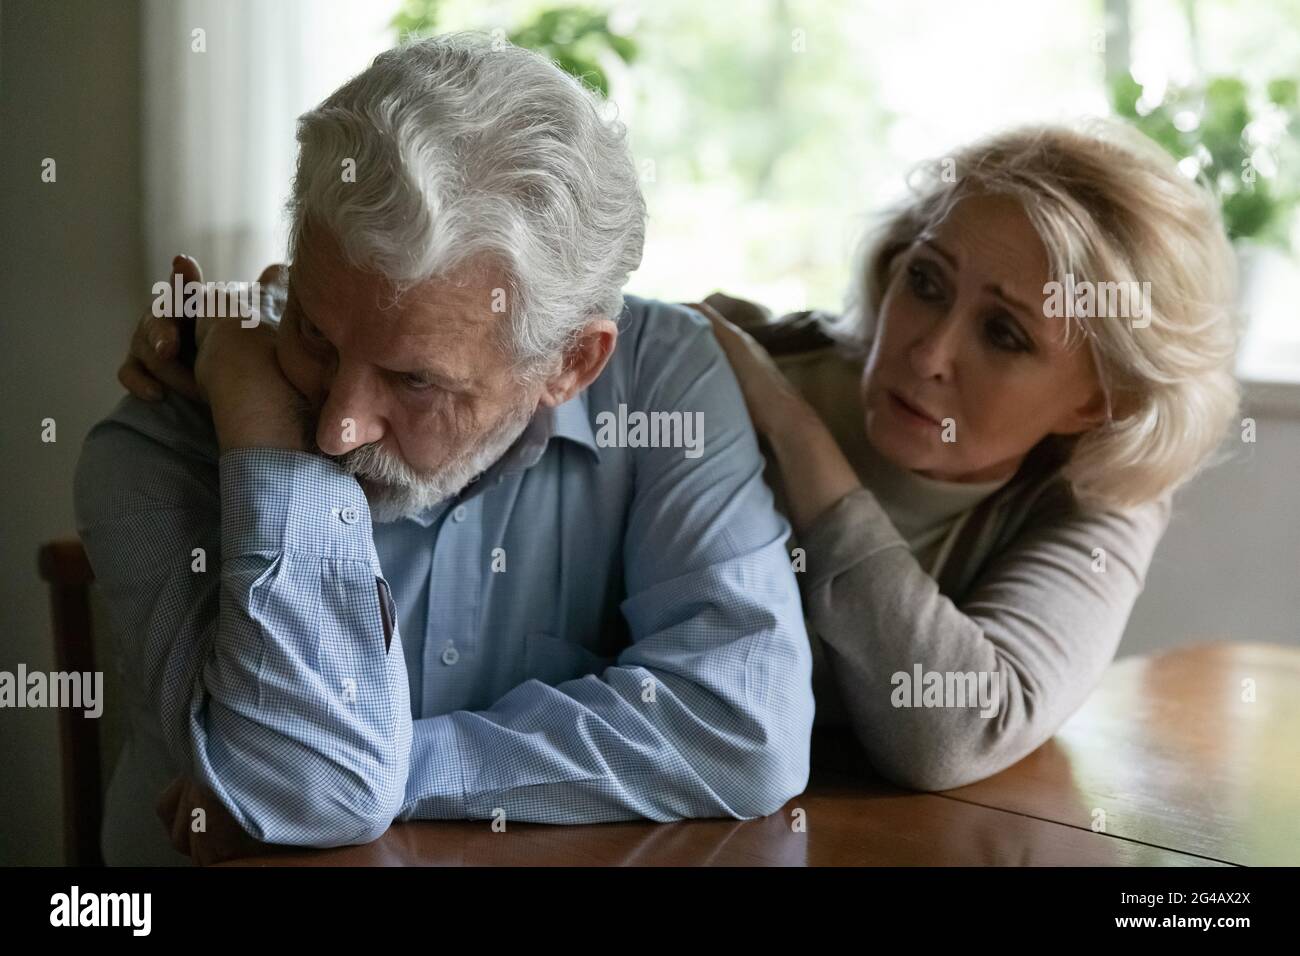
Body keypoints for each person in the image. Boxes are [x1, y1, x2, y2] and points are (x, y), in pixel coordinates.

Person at [78, 33, 814, 866]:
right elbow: (304, 784)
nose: (338, 427)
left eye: (415, 381)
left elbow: (745, 727)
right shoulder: (164, 426)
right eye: (315, 334)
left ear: (570, 363)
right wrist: (269, 447)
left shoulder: (662, 381)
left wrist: (398, 763)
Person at [700, 121, 1239, 791]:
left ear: (1096, 404)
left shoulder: (1093, 503)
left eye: (1003, 333)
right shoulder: (742, 369)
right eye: (926, 283)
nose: (928, 355)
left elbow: (950, 736)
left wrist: (798, 439)